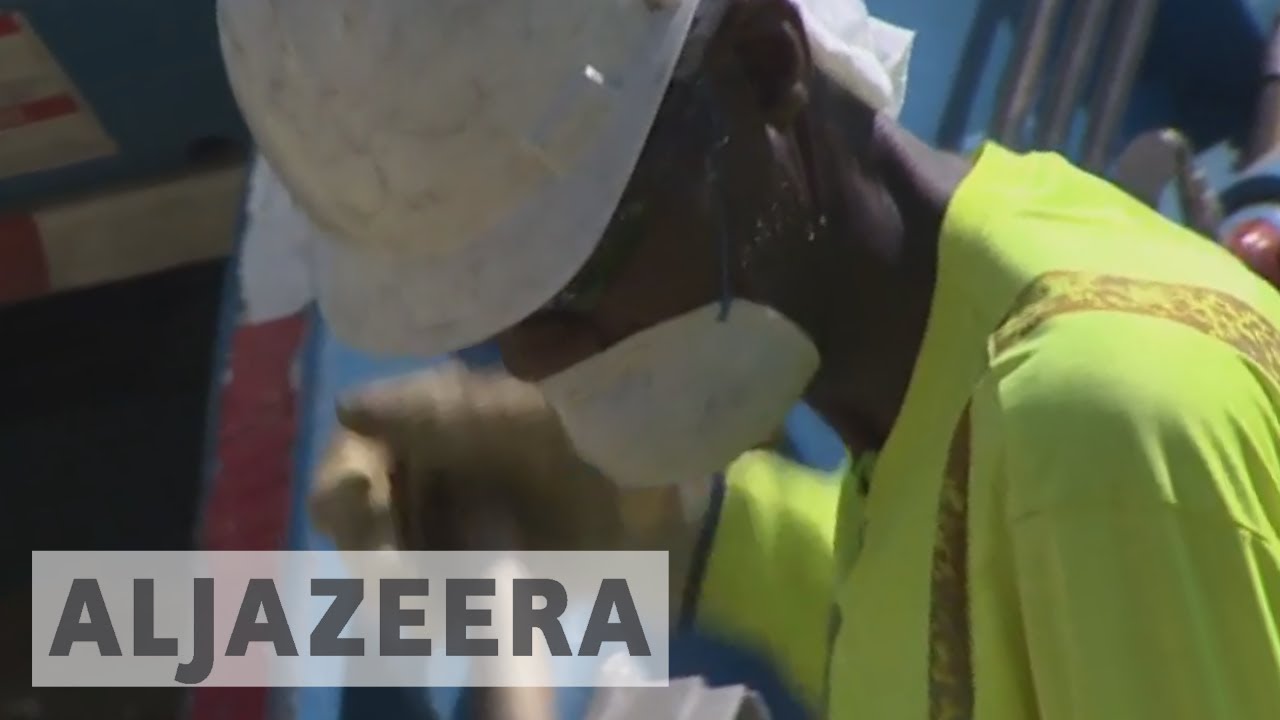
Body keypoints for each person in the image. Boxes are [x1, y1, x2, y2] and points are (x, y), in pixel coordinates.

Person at [220, 0, 1280, 717]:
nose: (537, 364)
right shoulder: (952, 389)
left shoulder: (1103, 427)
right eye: (498, 313)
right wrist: (684, 531)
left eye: (573, 275)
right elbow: (970, 585)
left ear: (763, 67)